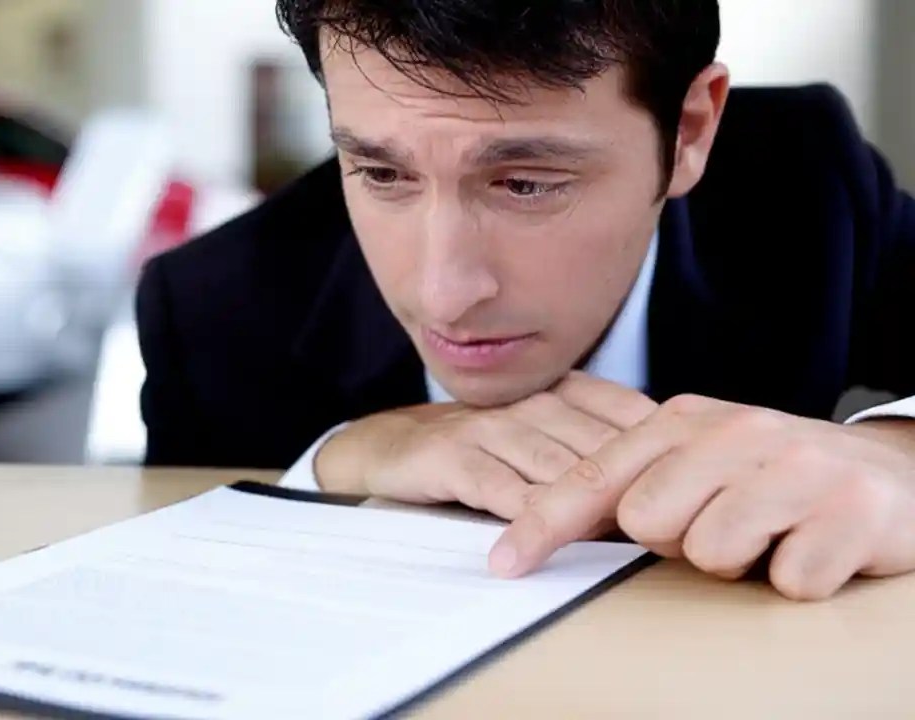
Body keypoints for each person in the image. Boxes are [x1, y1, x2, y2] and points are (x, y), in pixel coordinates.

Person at [135, 0, 915, 601]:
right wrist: (334, 458)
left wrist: (900, 455)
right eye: (382, 174)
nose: (443, 293)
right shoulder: (215, 307)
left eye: (526, 183)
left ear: (689, 131)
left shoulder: (812, 182)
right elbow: (165, 590)